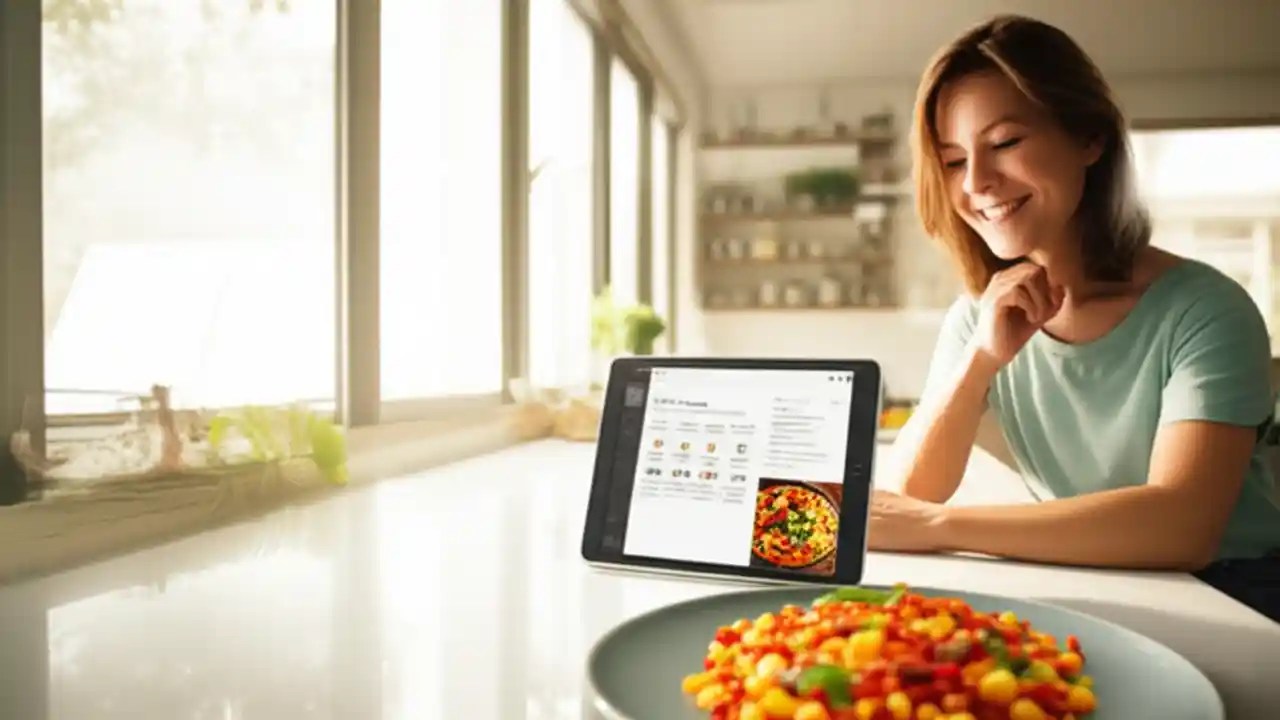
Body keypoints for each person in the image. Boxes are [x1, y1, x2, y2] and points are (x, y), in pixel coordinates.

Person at [869, 14, 1280, 623]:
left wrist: (941, 526)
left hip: (1237, 595)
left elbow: (1181, 527)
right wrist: (981, 360)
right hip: (1097, 587)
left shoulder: (1206, 309)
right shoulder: (980, 317)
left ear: (1090, 138)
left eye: (1005, 143)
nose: (978, 182)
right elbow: (908, 496)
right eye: (953, 161)